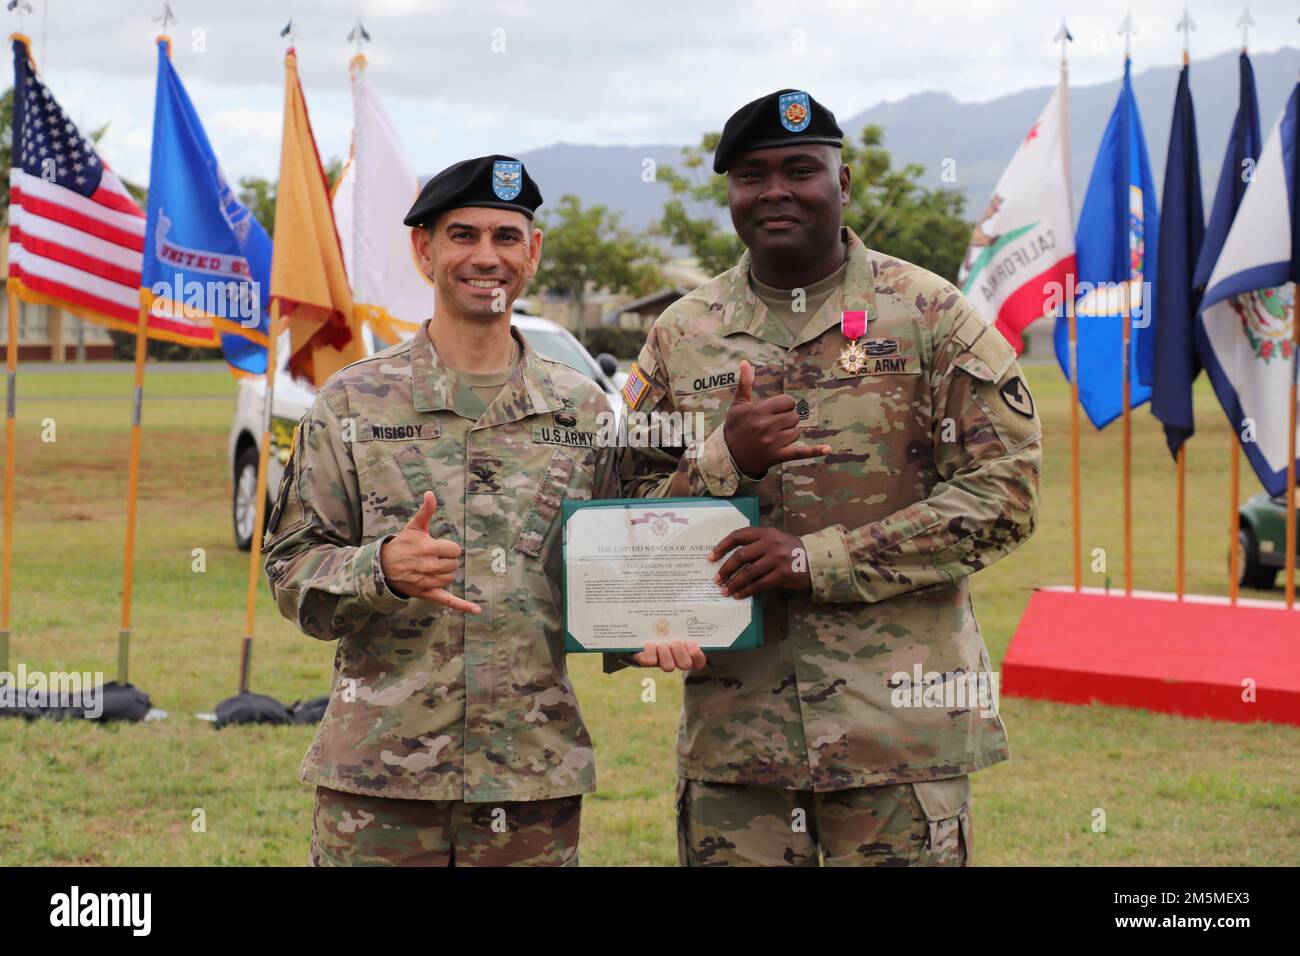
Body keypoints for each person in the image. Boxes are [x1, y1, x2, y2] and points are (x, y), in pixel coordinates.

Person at [613, 90, 1041, 866]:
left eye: (800, 170)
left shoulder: (931, 316)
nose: (775, 190)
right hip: (739, 749)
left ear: (843, 185)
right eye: (752, 175)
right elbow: (619, 516)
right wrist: (724, 462)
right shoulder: (682, 336)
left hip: (900, 738)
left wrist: (820, 560)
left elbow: (1004, 496)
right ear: (731, 195)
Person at [263, 155, 617, 866]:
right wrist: (380, 569)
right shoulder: (353, 404)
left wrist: (661, 625)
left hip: (529, 780)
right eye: (463, 235)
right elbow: (290, 572)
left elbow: (616, 563)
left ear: (533, 252)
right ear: (424, 250)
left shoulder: (581, 410)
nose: (486, 257)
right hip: (380, 781)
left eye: (506, 237)